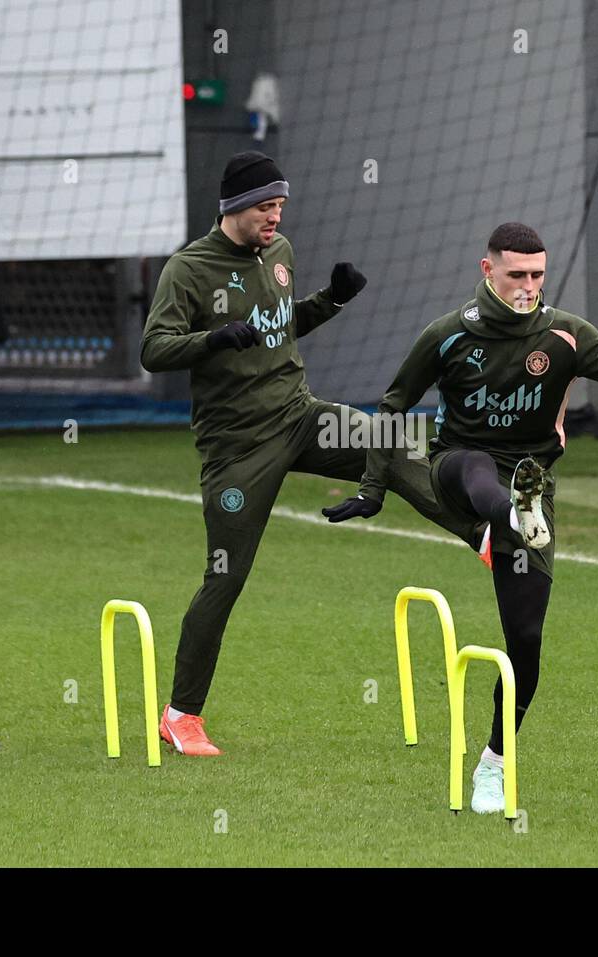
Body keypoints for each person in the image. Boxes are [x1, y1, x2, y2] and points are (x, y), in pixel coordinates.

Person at [141, 151, 482, 756]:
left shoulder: (281, 253)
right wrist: (212, 338)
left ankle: (483, 535)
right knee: (225, 577)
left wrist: (333, 299)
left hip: (301, 415)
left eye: (280, 206)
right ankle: (181, 715)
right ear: (235, 208)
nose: (276, 217)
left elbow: (281, 323)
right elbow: (155, 349)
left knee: (389, 440)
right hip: (238, 448)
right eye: (266, 206)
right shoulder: (187, 270)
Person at [326, 222, 598, 812]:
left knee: (525, 642)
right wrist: (374, 488)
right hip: (458, 467)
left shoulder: (567, 333)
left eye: (537, 275)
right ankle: (512, 513)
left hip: (532, 473)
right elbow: (393, 404)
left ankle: (494, 763)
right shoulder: (449, 334)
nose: (529, 286)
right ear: (488, 271)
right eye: (517, 275)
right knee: (480, 472)